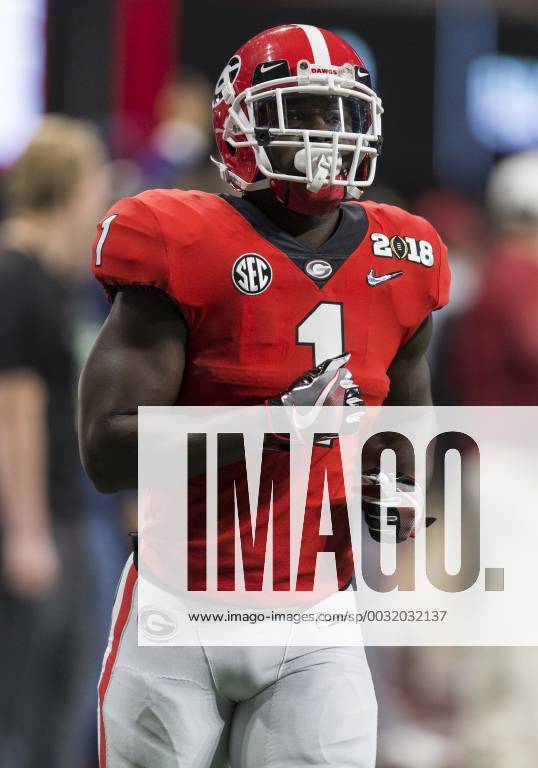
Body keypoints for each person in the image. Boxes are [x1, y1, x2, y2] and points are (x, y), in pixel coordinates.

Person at [79, 24, 450, 768]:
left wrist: (397, 483)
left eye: (341, 114)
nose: (327, 134)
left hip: (318, 609)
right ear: (238, 121)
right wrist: (267, 424)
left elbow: (405, 422)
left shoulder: (404, 256)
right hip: (178, 603)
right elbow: (108, 451)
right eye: (304, 112)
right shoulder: (177, 237)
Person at [0, 116, 109, 767]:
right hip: (42, 525)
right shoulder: (17, 280)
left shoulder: (45, 280)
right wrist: (28, 530)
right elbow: (13, 412)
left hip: (61, 515)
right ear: (70, 189)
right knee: (35, 706)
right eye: (95, 183)